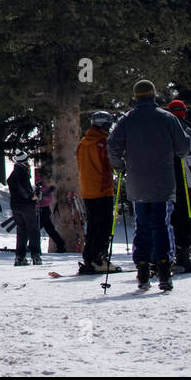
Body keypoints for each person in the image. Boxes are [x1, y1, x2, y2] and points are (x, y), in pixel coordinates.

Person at [107, 79, 191, 291]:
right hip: (163, 183)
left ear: (136, 97)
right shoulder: (167, 118)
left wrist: (119, 166)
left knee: (142, 227)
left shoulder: (127, 120)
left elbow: (113, 146)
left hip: (137, 183)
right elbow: (183, 149)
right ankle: (164, 273)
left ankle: (143, 272)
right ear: (154, 95)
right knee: (162, 226)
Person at [76, 112, 119, 273]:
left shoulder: (83, 143)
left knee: (93, 226)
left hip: (87, 190)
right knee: (104, 227)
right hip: (102, 189)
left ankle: (90, 258)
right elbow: (109, 164)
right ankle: (99, 259)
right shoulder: (102, 142)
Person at [165, 100, 191, 271]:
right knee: (183, 218)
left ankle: (164, 255)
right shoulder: (186, 129)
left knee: (166, 219)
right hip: (184, 180)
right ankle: (183, 256)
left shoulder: (161, 127)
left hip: (162, 181)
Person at [8, 150, 40, 266]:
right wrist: (32, 196)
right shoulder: (22, 171)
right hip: (25, 205)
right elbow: (23, 187)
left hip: (16, 205)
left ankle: (20, 256)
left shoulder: (14, 171)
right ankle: (35, 255)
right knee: (33, 230)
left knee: (22, 230)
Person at [36, 173, 67, 253]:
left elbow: (46, 198)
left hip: (43, 210)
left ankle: (33, 247)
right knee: (50, 229)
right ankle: (61, 244)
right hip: (43, 210)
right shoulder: (41, 185)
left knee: (36, 229)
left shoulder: (43, 185)